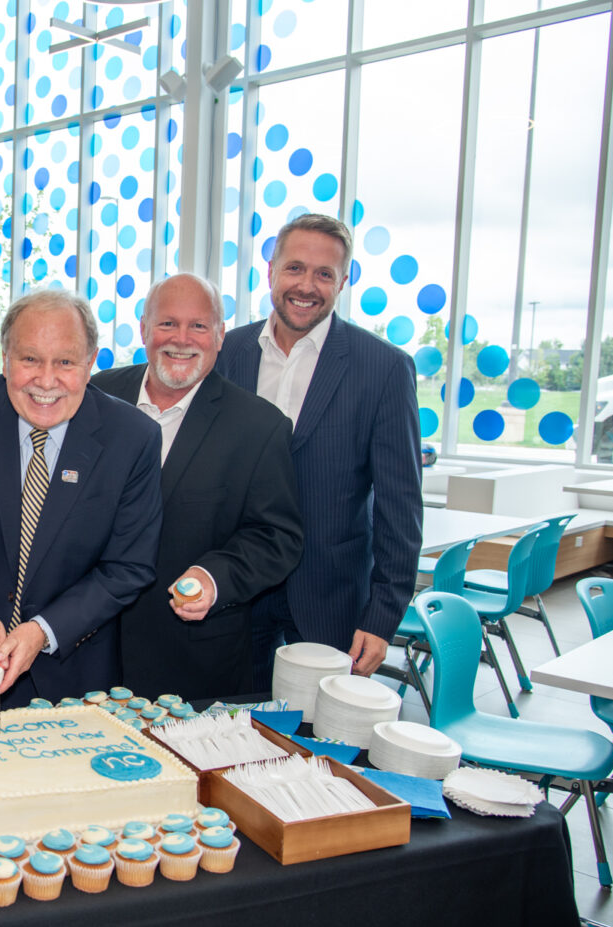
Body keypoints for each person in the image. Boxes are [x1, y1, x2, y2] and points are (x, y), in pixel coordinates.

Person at [0, 289, 162, 712]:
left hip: (70, 678)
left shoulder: (133, 437)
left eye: (65, 361)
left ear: (90, 362)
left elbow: (128, 567)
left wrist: (42, 630)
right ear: (5, 358)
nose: (46, 381)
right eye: (29, 359)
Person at [217, 213, 423, 683]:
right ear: (270, 271)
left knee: (321, 743)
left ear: (343, 281)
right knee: (223, 730)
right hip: (234, 593)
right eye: (294, 268)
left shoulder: (384, 369)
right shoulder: (227, 353)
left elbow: (400, 505)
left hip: (331, 598)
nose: (306, 285)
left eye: (323, 274)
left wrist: (382, 615)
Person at [93, 273, 303, 698]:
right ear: (144, 330)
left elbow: (277, 537)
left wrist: (214, 577)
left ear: (220, 335)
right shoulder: (95, 394)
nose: (181, 339)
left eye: (199, 326)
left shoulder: (259, 427)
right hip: (85, 649)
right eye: (167, 324)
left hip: (190, 665)